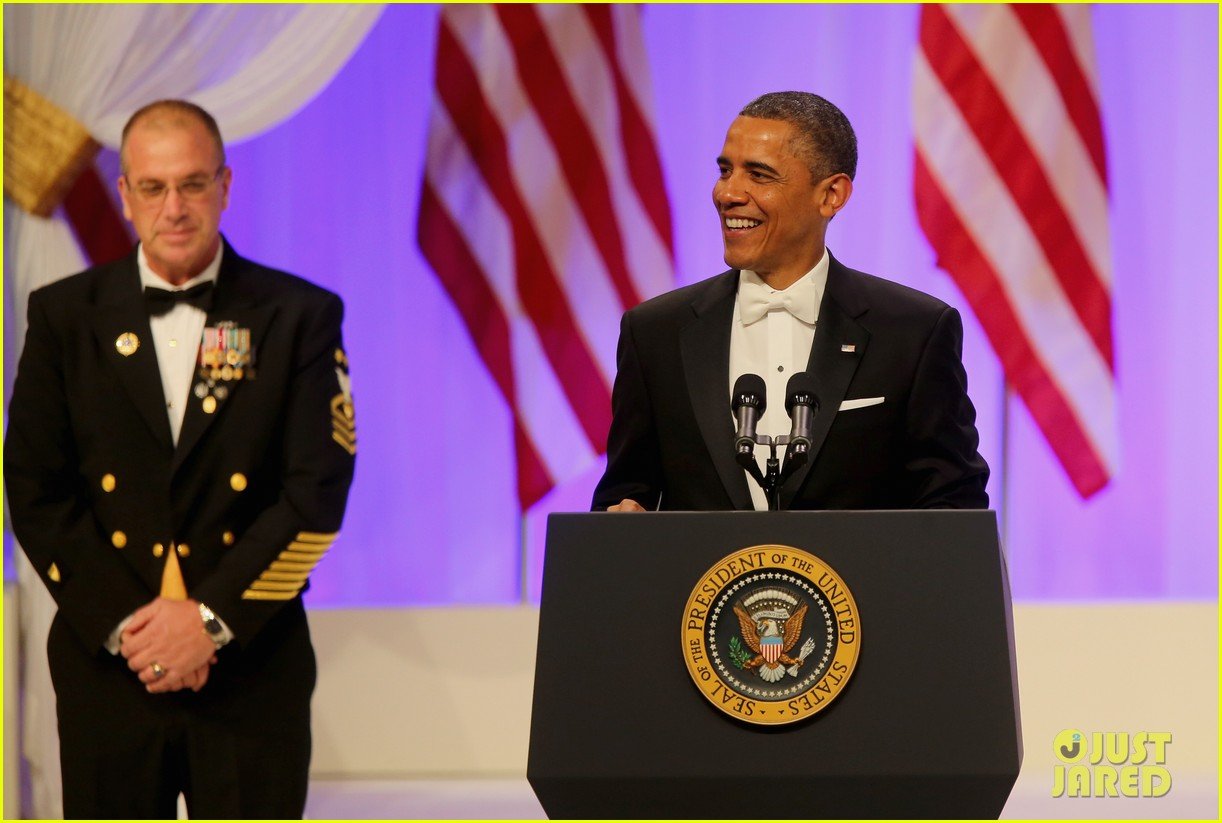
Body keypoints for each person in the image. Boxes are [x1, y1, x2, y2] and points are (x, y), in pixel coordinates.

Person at [4, 99, 356, 818]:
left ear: (227, 186)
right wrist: (136, 629)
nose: (176, 207)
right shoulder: (63, 315)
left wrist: (209, 621)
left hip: (251, 664)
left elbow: (315, 492)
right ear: (124, 194)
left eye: (194, 184)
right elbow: (33, 489)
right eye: (155, 186)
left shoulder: (298, 315)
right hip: (110, 665)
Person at [592, 91, 988, 512]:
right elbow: (624, 494)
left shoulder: (913, 332)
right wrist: (622, 515)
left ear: (831, 195)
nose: (728, 193)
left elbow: (954, 503)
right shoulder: (655, 333)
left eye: (759, 175)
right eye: (726, 170)